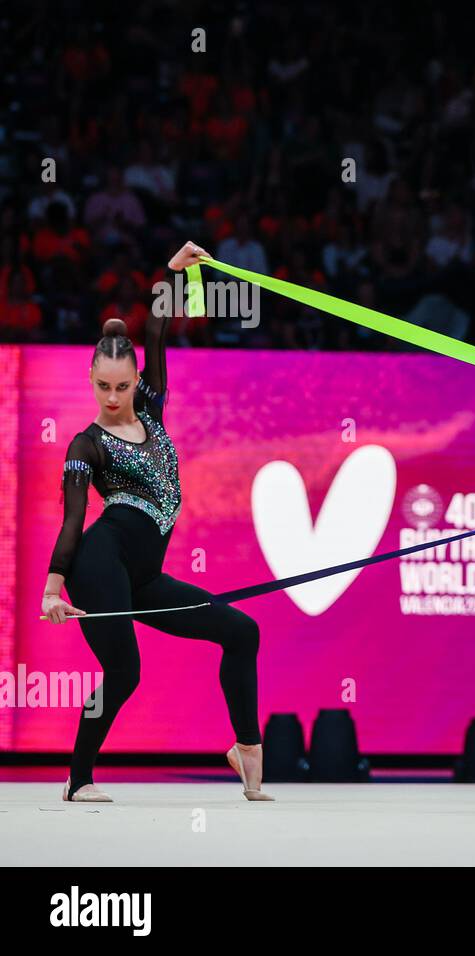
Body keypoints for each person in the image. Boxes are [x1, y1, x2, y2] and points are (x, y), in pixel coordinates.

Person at [41, 241, 273, 803]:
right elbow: (74, 520)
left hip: (144, 578)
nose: (115, 397)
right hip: (100, 566)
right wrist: (53, 585)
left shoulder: (152, 408)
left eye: (124, 386)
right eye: (104, 387)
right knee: (125, 673)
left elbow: (157, 332)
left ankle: (246, 748)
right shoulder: (85, 445)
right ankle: (79, 777)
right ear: (91, 378)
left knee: (242, 632)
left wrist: (172, 273)